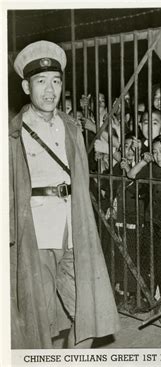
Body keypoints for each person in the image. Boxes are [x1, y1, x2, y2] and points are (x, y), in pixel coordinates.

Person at [10, 40, 120, 349]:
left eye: (56, 81)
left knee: (87, 313)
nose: (50, 90)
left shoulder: (71, 127)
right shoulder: (12, 133)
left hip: (72, 233)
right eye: (41, 81)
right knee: (37, 323)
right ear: (26, 86)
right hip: (35, 236)